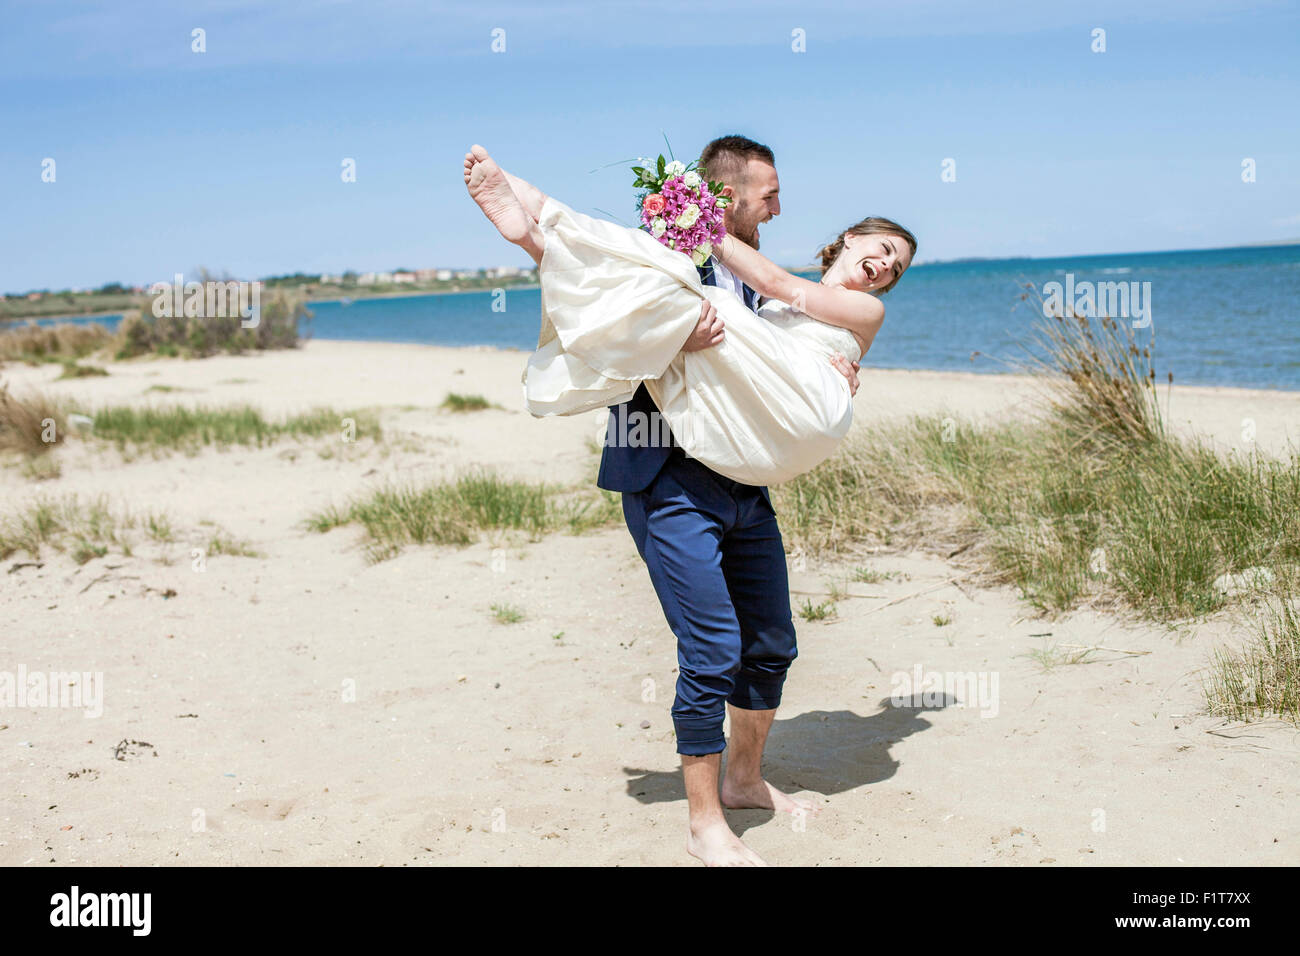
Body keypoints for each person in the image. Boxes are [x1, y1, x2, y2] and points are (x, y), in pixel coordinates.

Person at [463, 138, 915, 866]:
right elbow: (608, 316)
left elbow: (784, 351)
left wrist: (826, 380)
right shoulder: (673, 255)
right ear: (727, 196)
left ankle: (744, 781)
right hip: (670, 479)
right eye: (767, 196)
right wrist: (676, 333)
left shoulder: (773, 290)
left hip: (745, 487)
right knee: (711, 651)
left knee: (771, 645)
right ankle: (705, 824)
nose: (776, 208)